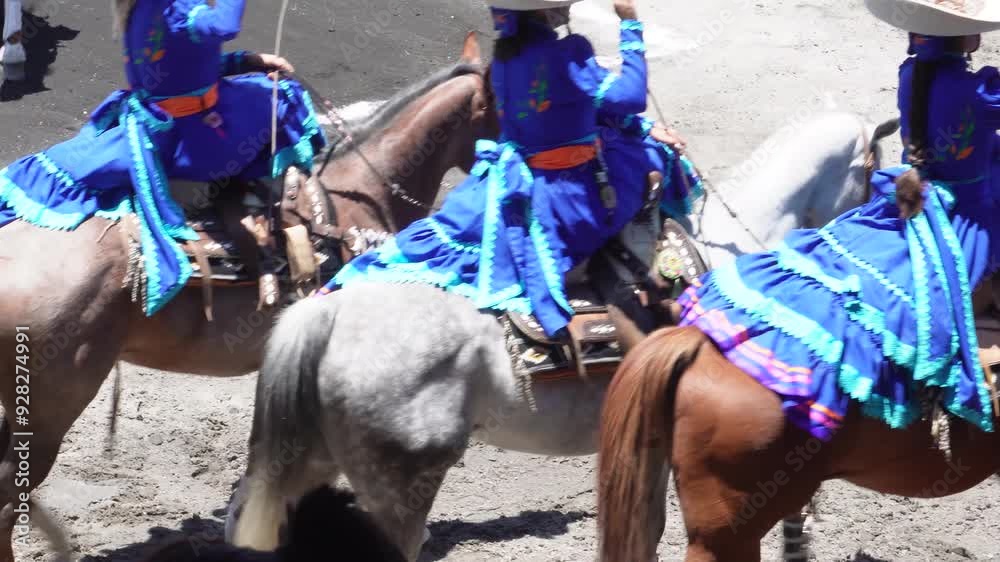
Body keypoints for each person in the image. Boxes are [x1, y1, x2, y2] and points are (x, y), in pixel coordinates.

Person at [677, 0, 1000, 442]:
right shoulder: (978, 88)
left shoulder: (912, 74)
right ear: (965, 36)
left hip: (918, 186)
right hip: (967, 204)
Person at [319, 0, 702, 340]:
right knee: (656, 159)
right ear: (542, 12)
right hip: (565, 190)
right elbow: (631, 98)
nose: (565, 8)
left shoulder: (503, 63)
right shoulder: (571, 52)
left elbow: (566, 103)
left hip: (510, 180)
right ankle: (639, 271)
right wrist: (630, 26)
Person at [0, 0, 326, 313]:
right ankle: (266, 218)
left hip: (155, 120)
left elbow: (181, 67)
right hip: (192, 137)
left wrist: (245, 61)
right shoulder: (180, 6)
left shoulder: (139, 6)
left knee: (257, 87)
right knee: (284, 97)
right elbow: (225, 25)